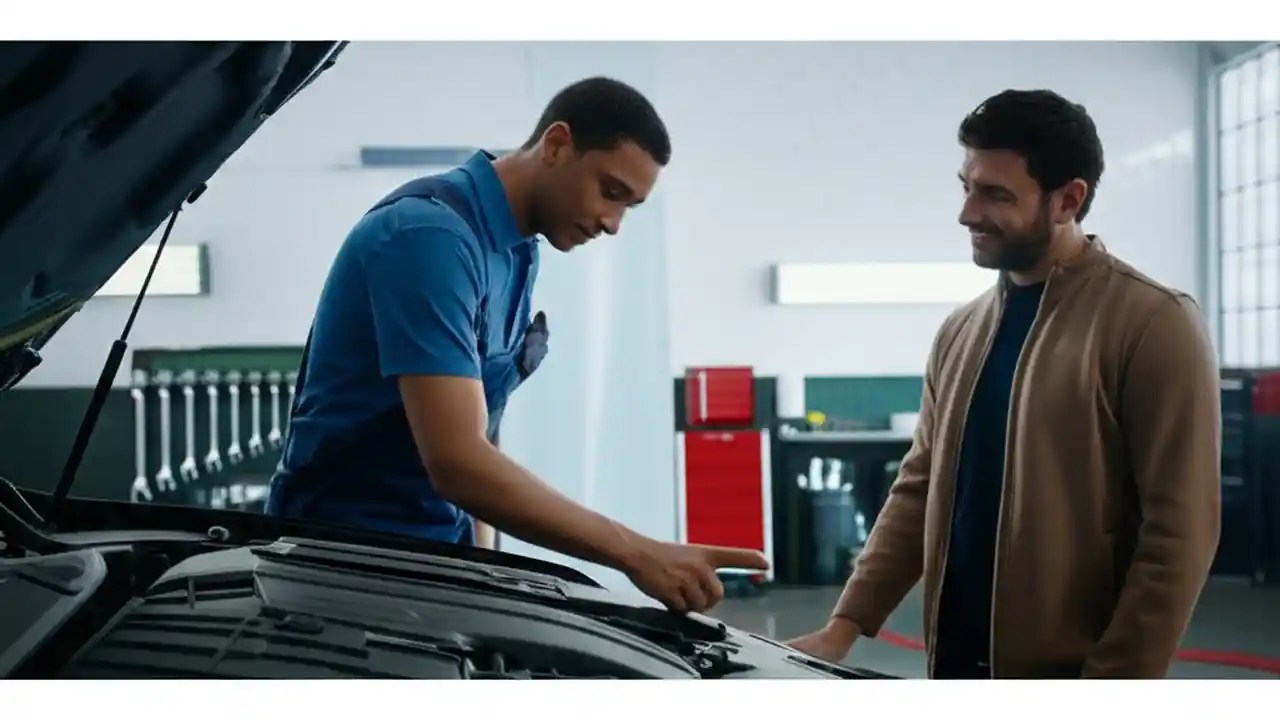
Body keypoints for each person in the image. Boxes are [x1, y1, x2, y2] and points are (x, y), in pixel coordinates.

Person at [265, 76, 768, 613]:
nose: (614, 224)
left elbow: (482, 430)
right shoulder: (429, 238)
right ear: (555, 145)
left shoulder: (517, 251)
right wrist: (638, 554)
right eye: (610, 191)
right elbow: (458, 461)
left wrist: (483, 570)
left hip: (432, 559)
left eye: (631, 207)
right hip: (341, 569)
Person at [787, 89, 1222, 678]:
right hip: (956, 669)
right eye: (966, 186)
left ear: (1068, 199)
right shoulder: (959, 331)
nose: (967, 212)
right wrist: (845, 624)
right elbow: (918, 488)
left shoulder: (1153, 324)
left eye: (994, 194)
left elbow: (1179, 533)